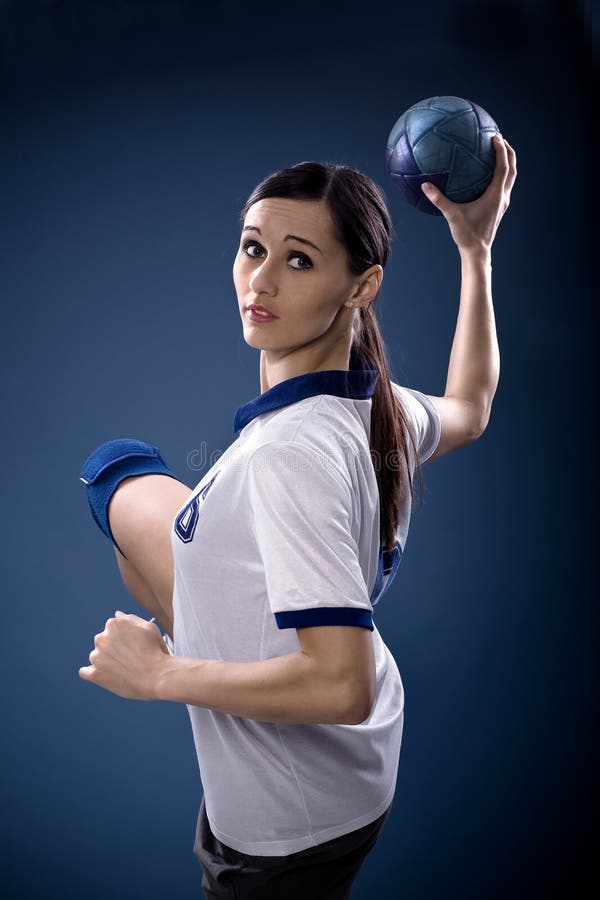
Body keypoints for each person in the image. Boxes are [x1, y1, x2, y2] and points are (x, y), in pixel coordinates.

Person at [78, 138, 517, 899]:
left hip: (284, 825)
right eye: (253, 249)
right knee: (119, 472)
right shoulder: (378, 405)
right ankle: (217, 620)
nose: (261, 280)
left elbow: (340, 685)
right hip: (363, 760)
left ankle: (211, 647)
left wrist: (162, 675)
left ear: (361, 285)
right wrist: (475, 251)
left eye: (300, 260)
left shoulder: (289, 457)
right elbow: (472, 406)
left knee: (117, 482)